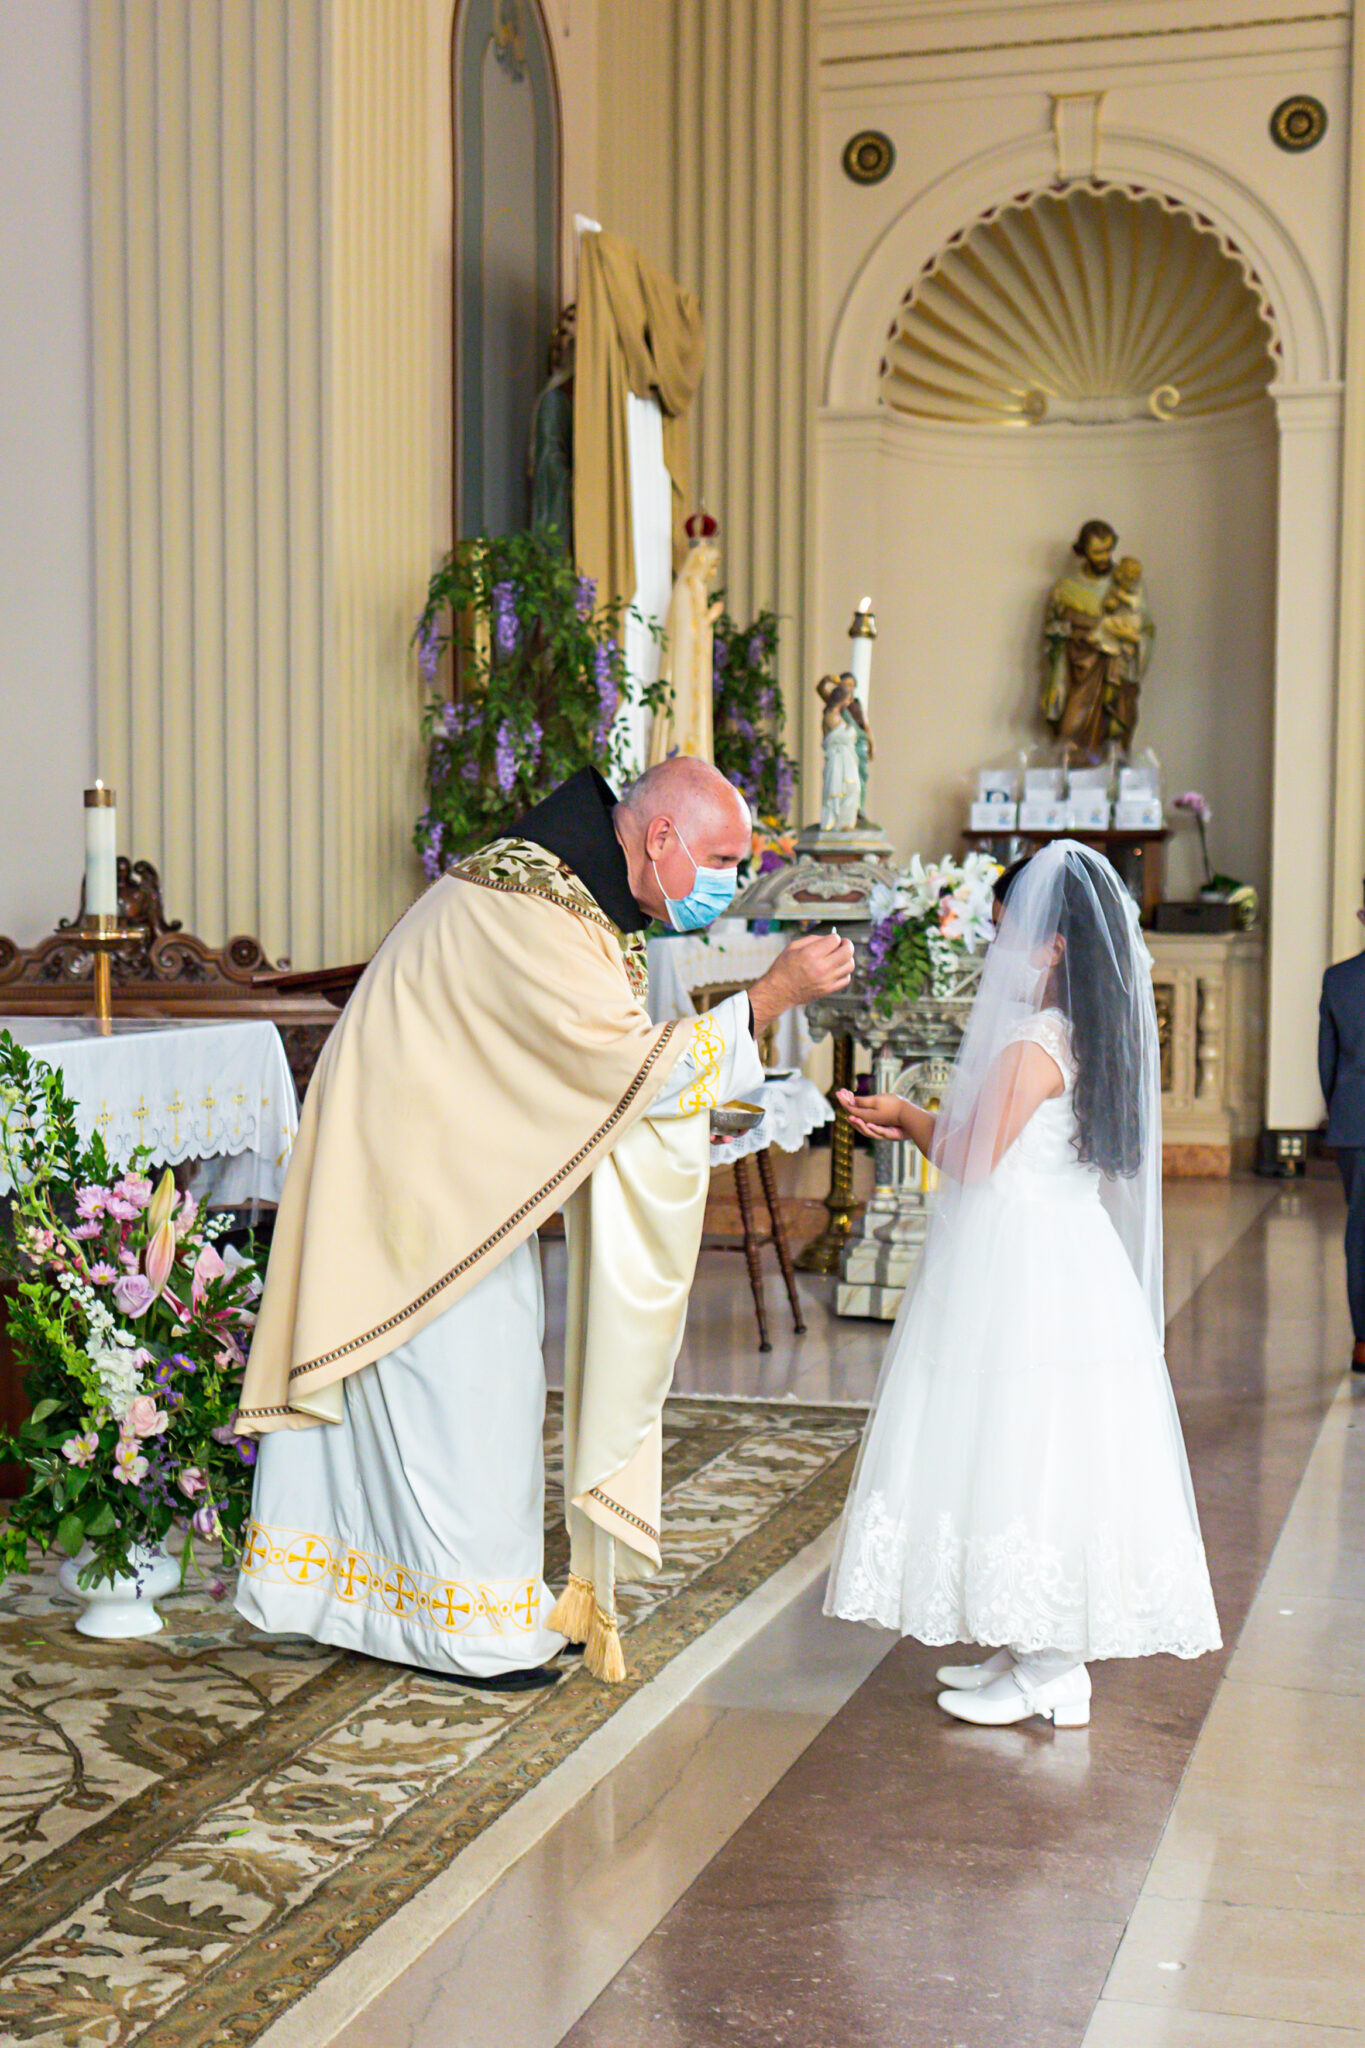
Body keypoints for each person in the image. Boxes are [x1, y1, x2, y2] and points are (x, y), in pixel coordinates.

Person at [234, 759, 853, 1688]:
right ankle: (470, 1627)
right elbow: (618, 1067)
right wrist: (764, 1001)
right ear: (658, 840)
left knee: (447, 1396)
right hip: (423, 1199)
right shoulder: (534, 910)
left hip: (443, 1178)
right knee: (468, 1401)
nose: (729, 882)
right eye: (722, 858)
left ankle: (367, 1602)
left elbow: (591, 1070)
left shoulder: (560, 892)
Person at [826, 842, 1221, 1728]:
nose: (995, 950)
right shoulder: (1094, 1032)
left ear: (1050, 946)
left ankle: (1050, 1666)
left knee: (1026, 1440)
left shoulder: (1034, 1040)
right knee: (1039, 1441)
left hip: (1026, 1266)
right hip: (1063, 1251)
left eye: (1007, 934)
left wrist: (904, 1114)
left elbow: (970, 1155)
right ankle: (1024, 1643)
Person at [1319, 897, 1365, 1374]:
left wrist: (1341, 1112)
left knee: (1361, 1238)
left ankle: (1363, 1342)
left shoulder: (1340, 980)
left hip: (1356, 1123)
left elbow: (1327, 1065)